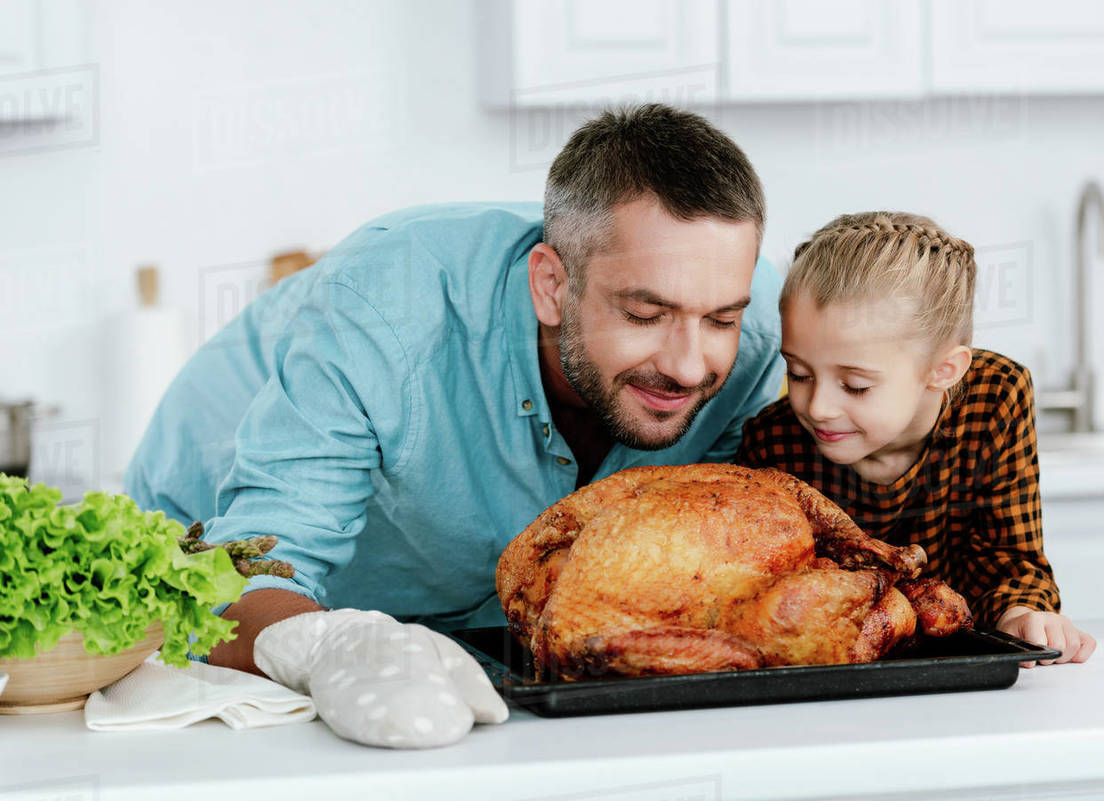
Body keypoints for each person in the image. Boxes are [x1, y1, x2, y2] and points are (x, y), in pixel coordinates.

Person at [124, 104, 785, 747]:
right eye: (646, 314)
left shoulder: (754, 339)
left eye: (721, 318)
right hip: (218, 594)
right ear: (551, 286)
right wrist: (329, 645)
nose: (690, 363)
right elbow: (247, 570)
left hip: (480, 643)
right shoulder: (391, 306)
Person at [737, 212, 1097, 667]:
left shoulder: (996, 397)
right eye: (800, 373)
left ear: (942, 371)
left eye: (855, 385)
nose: (816, 407)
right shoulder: (771, 441)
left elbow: (1009, 557)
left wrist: (1020, 611)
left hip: (958, 677)